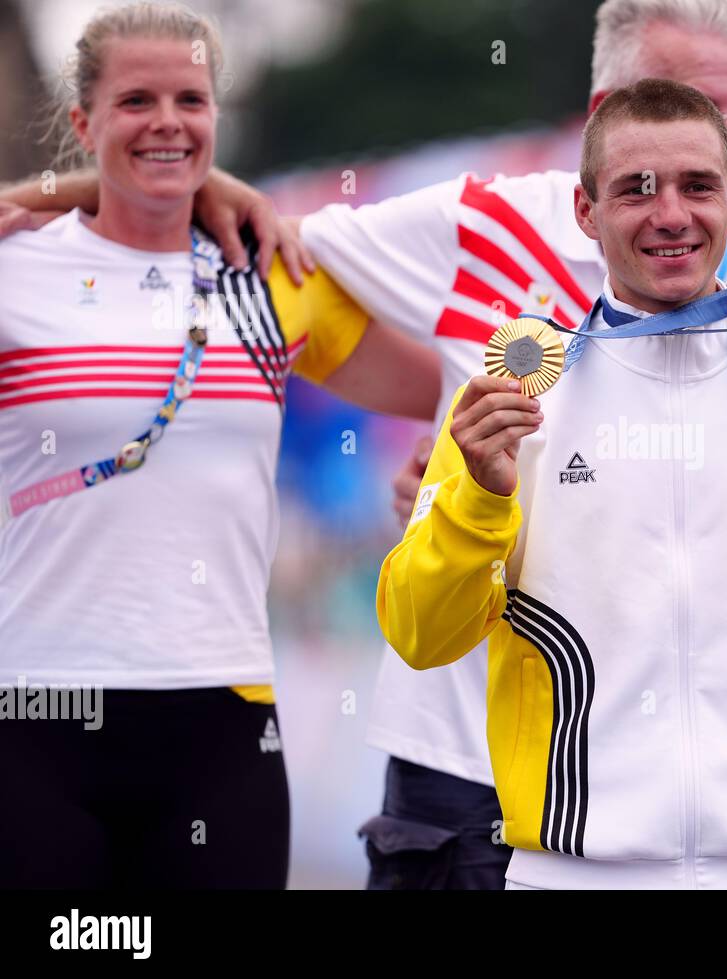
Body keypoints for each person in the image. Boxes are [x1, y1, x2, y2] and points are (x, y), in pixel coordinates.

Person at [378, 76, 727, 890]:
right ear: (586, 211)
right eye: (636, 189)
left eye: (697, 186)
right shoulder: (512, 401)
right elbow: (419, 634)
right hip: (572, 873)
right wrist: (478, 498)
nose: (672, 214)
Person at [0, 1, 443, 888]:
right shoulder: (18, 268)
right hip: (38, 713)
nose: (167, 121)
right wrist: (61, 191)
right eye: (136, 101)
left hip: (223, 719)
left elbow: (446, 385)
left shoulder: (269, 274)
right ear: (82, 122)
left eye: (190, 101)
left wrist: (450, 466)